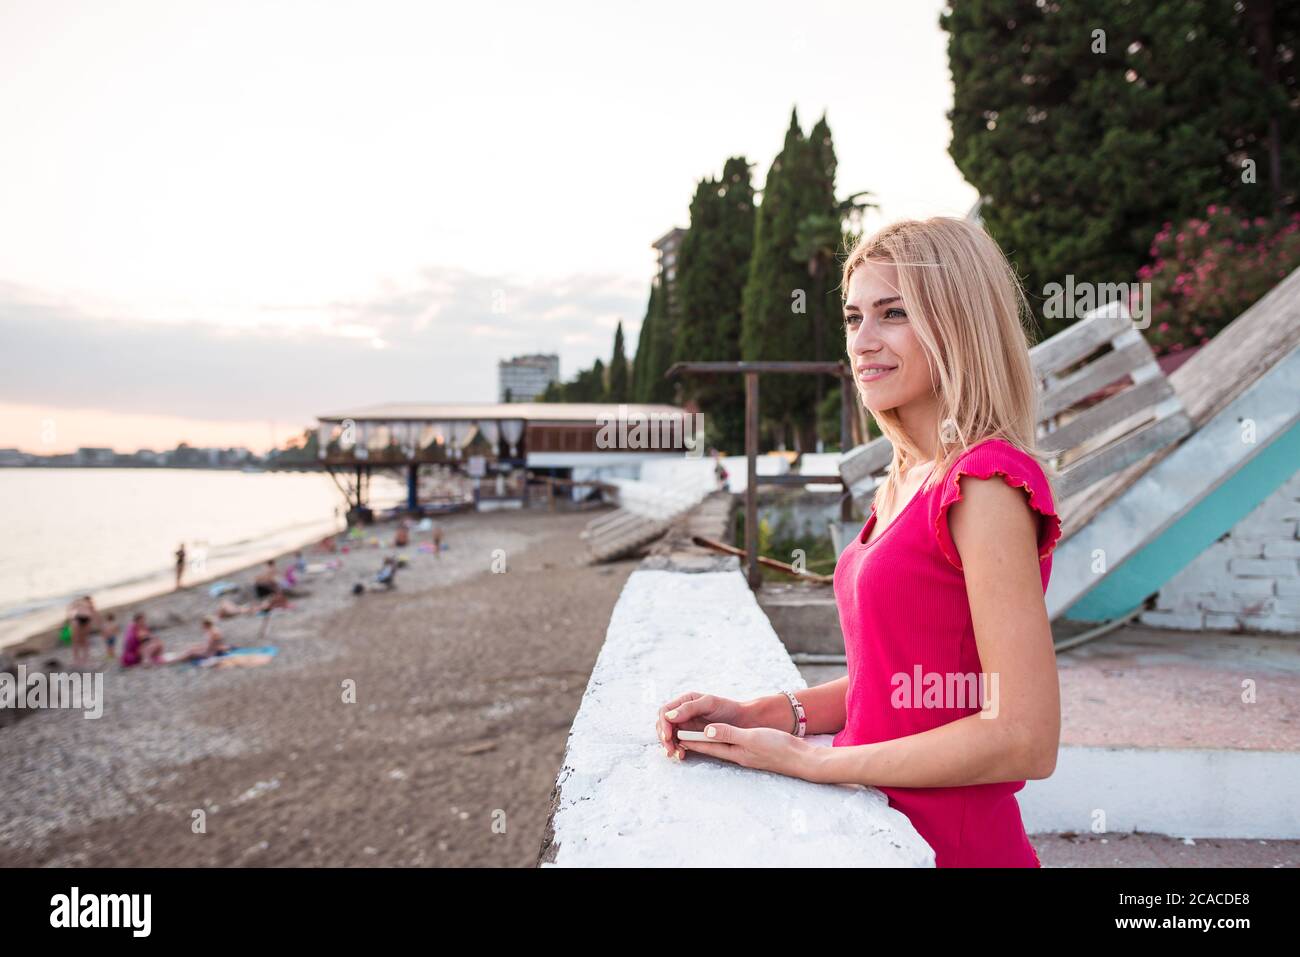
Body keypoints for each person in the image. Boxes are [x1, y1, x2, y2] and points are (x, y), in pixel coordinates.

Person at [658, 217, 1062, 868]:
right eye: (853, 318)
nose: (864, 342)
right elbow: (905, 677)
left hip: (951, 848)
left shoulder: (985, 484)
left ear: (957, 321)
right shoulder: (904, 480)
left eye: (892, 313)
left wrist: (819, 763)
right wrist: (772, 712)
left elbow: (1025, 736)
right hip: (880, 830)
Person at [65, 595, 98, 668]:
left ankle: (84, 660)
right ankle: (77, 660)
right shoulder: (80, 602)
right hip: (79, 618)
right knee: (76, 641)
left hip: (85, 619)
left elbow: (95, 614)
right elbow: (70, 607)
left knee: (84, 641)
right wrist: (69, 617)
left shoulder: (89, 604)